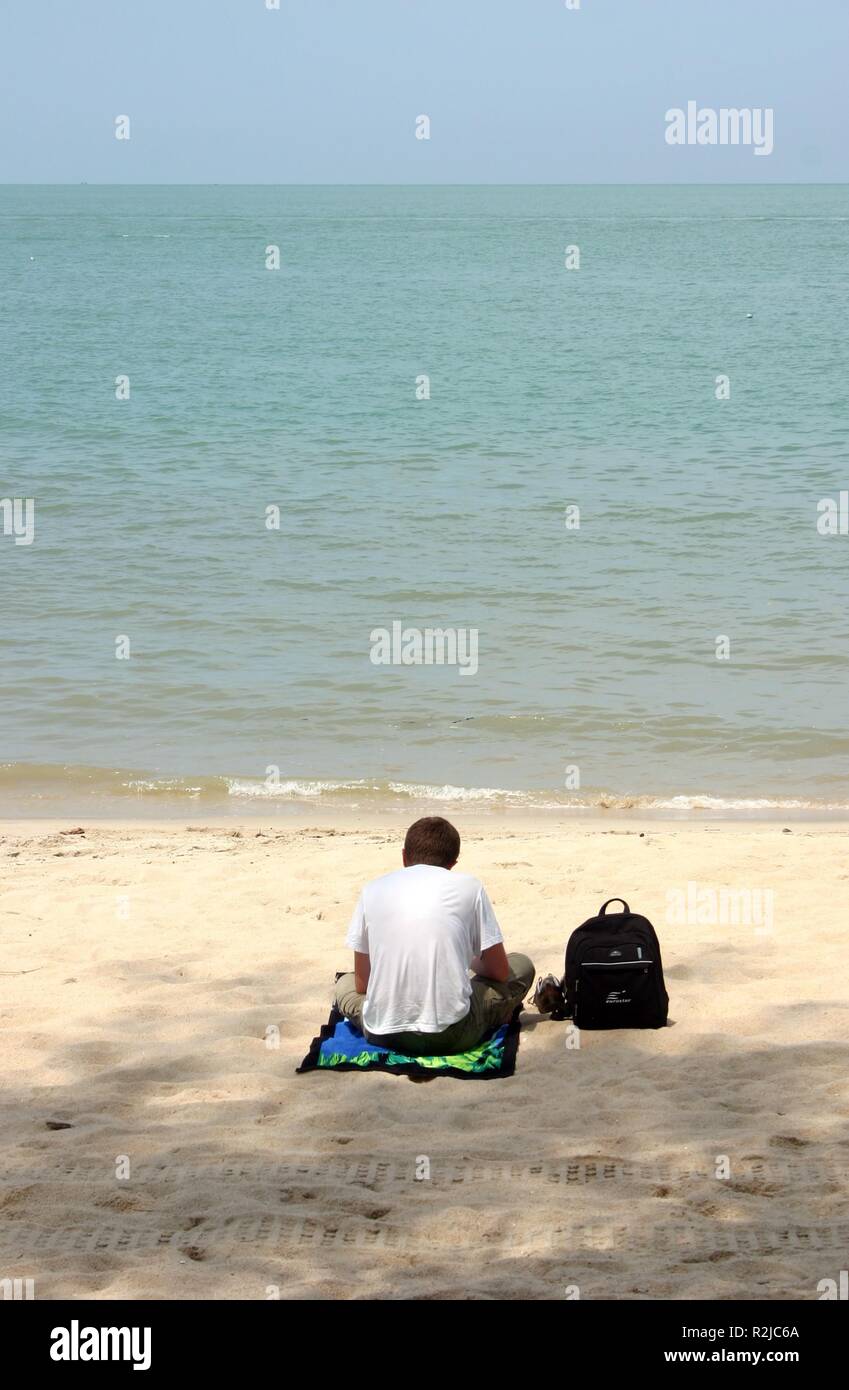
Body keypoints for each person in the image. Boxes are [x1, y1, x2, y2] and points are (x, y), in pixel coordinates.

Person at [335, 816, 534, 1056]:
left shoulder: (372, 889)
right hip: (452, 1036)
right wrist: (465, 958)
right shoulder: (470, 887)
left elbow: (362, 984)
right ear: (453, 863)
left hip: (384, 1034)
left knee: (344, 983)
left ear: (404, 856)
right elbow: (500, 972)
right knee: (521, 965)